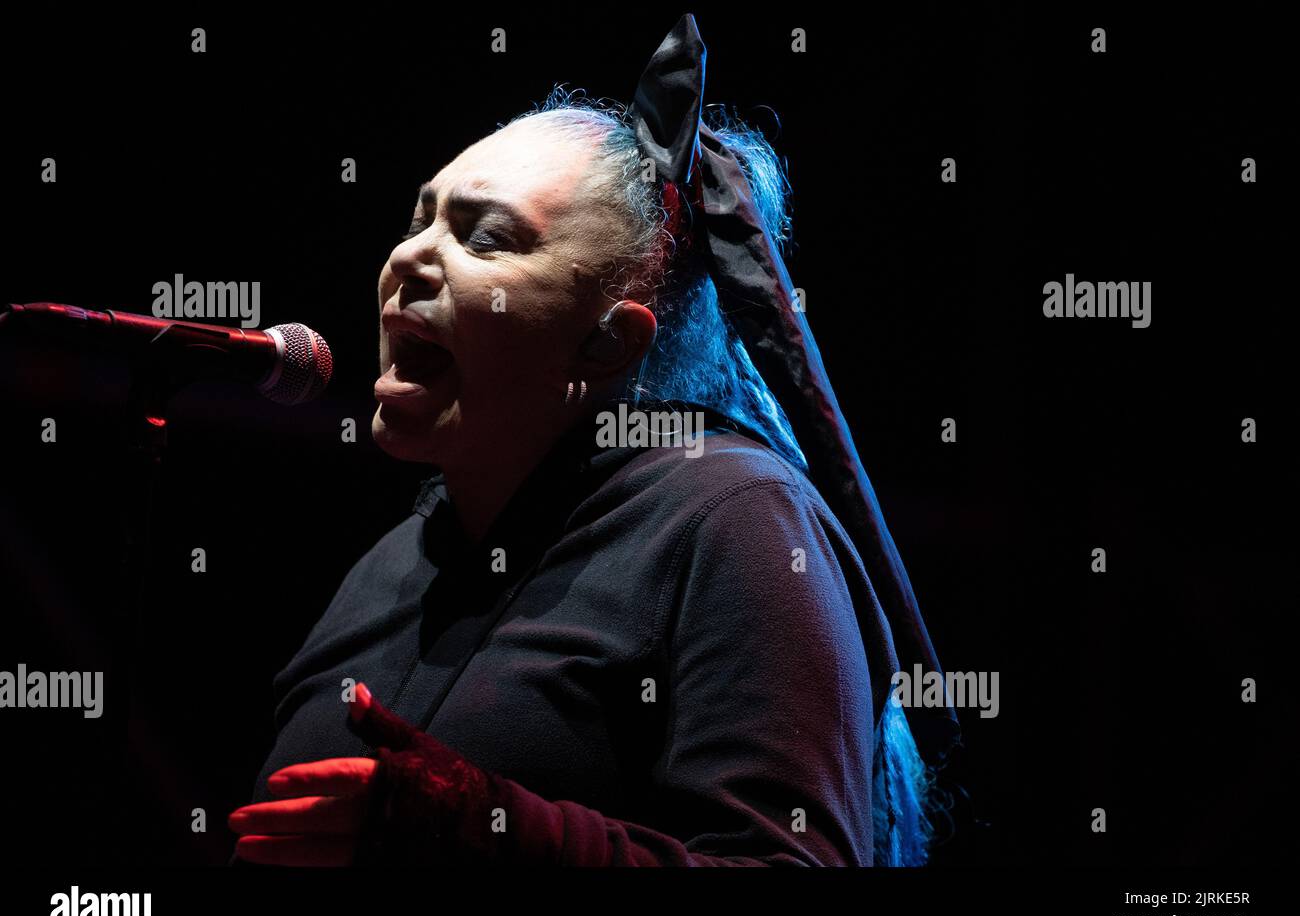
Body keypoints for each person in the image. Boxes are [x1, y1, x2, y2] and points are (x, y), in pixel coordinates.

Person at [229, 14, 958, 867]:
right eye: (418, 218)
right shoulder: (384, 571)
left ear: (607, 343)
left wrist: (473, 827)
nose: (412, 258)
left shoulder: (733, 519)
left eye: (485, 237)